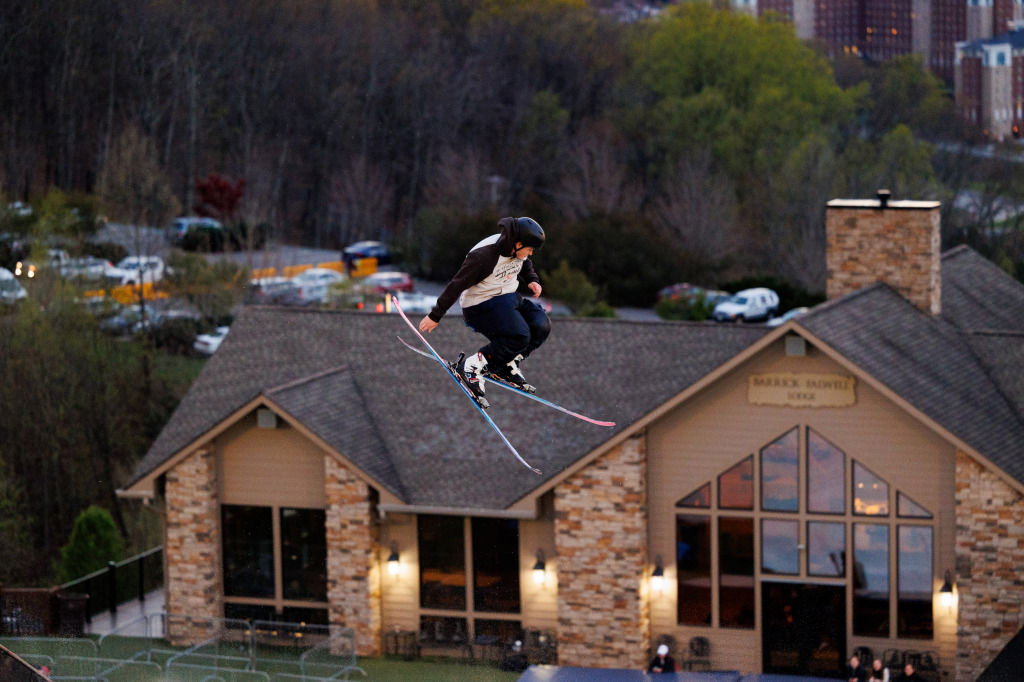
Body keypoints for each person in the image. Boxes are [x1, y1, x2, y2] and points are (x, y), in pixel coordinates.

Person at [418, 216, 549, 403]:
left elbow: (525, 263)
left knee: (541, 325)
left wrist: (532, 279)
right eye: (530, 249)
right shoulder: (484, 257)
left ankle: (507, 363)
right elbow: (456, 285)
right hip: (479, 306)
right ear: (518, 244)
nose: (531, 253)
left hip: (507, 298)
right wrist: (435, 315)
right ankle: (471, 367)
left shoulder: (519, 249)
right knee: (519, 334)